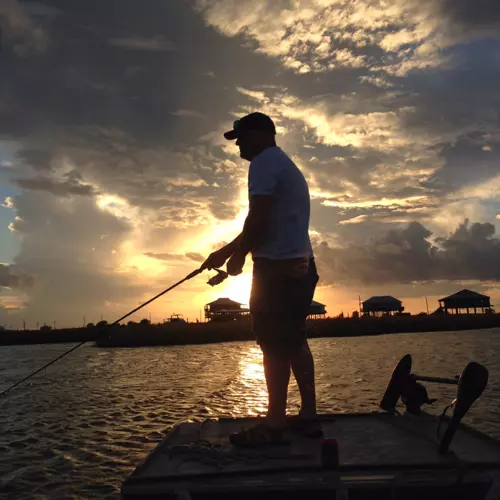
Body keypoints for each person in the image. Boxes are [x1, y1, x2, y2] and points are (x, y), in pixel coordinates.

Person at [201, 112, 320, 447]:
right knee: (295, 340)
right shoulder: (282, 163)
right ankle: (308, 417)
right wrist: (224, 253)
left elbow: (260, 217)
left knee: (273, 346)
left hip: (276, 270)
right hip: (300, 265)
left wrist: (238, 258)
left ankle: (276, 426)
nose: (237, 144)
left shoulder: (264, 163)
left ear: (259, 134)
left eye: (240, 136)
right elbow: (260, 221)